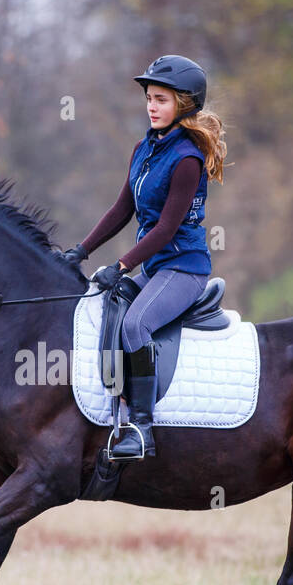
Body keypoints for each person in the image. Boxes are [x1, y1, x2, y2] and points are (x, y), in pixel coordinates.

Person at [61, 54, 228, 459]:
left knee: (135, 325)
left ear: (184, 105)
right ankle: (113, 410)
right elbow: (122, 210)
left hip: (182, 269)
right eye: (149, 98)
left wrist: (119, 266)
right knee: (106, 307)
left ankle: (141, 428)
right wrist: (79, 251)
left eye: (161, 100)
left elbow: (165, 230)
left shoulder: (187, 159)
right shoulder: (144, 148)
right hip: (155, 269)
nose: (152, 106)